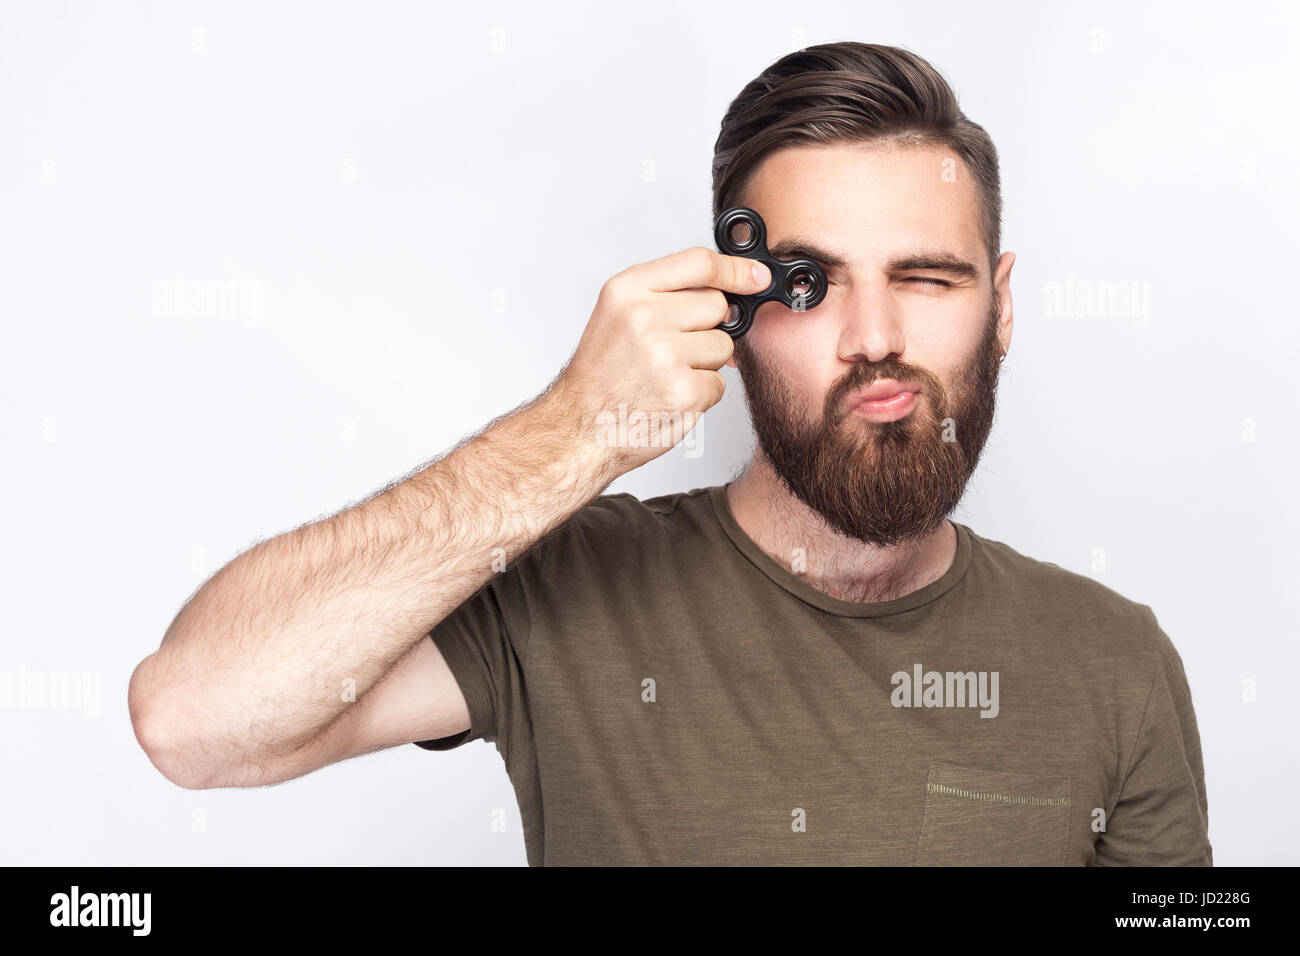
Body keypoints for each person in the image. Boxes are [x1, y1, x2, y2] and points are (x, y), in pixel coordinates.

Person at [128, 41, 1211, 866]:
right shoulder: (566, 586)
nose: (873, 334)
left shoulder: (1116, 664)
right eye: (809, 282)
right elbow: (193, 721)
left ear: (1002, 305)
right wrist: (572, 430)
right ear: (726, 307)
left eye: (925, 277)